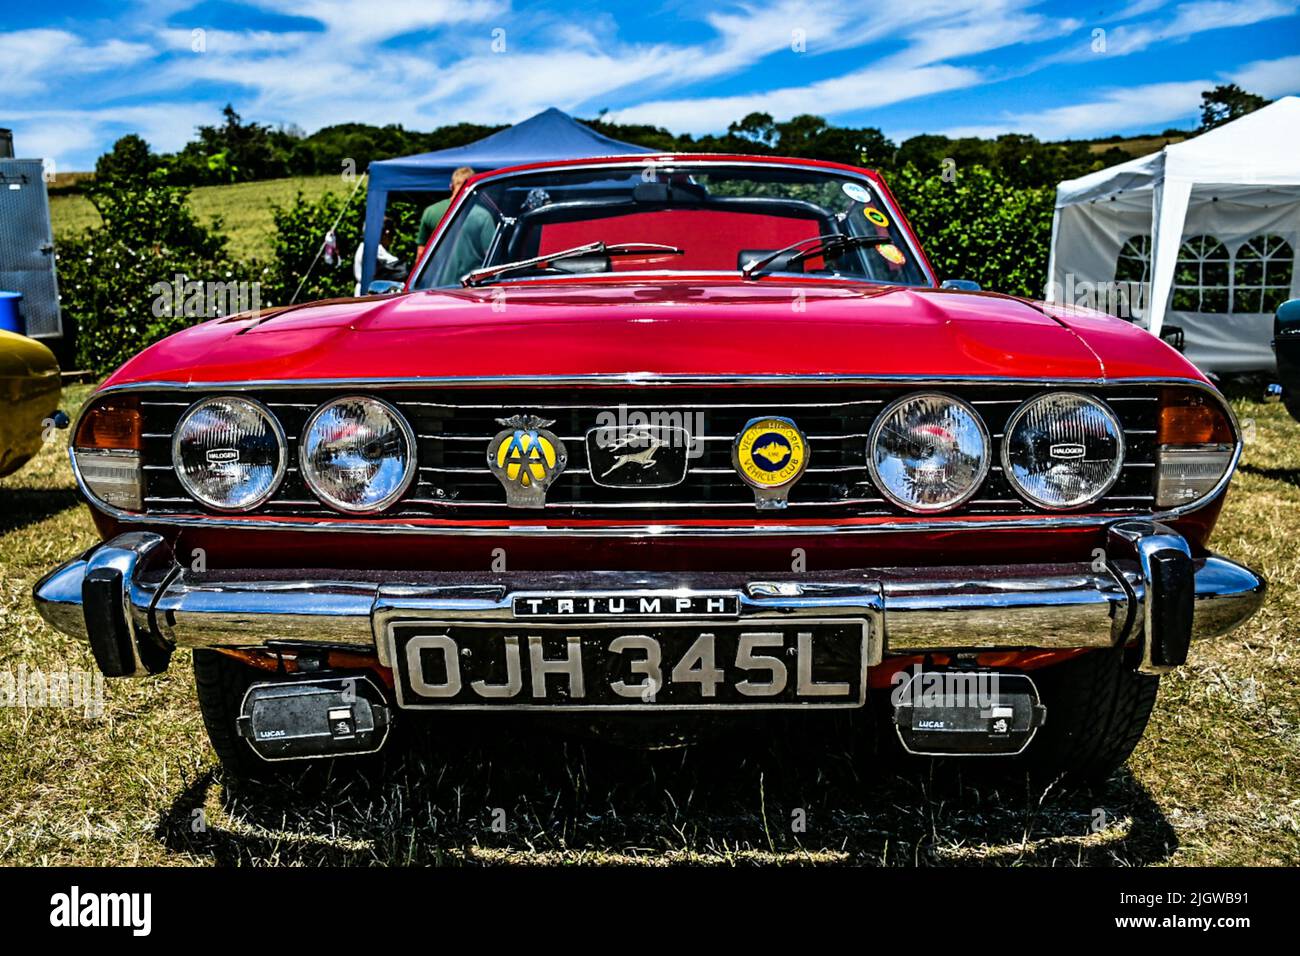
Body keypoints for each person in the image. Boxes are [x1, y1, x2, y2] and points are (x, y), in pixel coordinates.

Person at [417, 166, 475, 260]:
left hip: (437, 272)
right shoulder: (482, 215)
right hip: (471, 273)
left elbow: (421, 253)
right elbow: (488, 251)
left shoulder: (430, 212)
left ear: (451, 186)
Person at [354, 217, 403, 295]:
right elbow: (397, 266)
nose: (393, 238)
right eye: (393, 233)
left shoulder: (363, 246)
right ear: (387, 233)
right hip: (368, 293)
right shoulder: (373, 249)